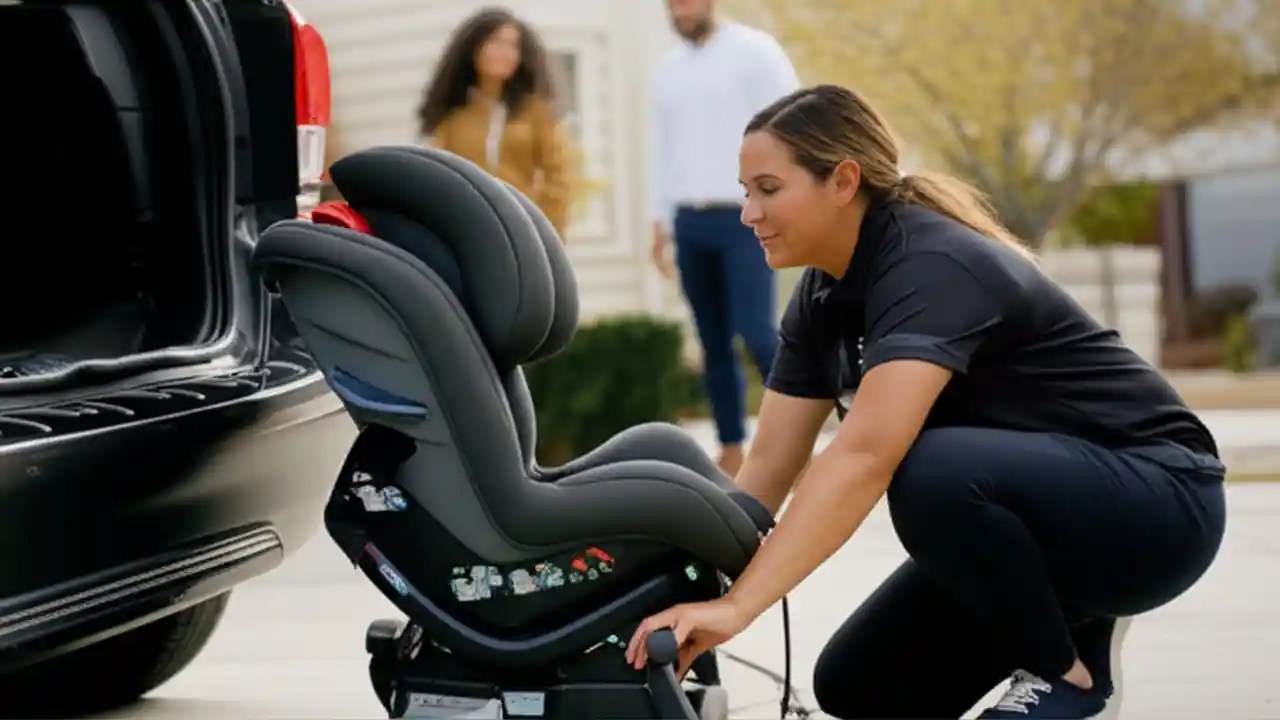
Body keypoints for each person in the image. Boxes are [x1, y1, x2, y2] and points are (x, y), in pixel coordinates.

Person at [626, 84, 1227, 719]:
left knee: (928, 469)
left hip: (1157, 508)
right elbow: (767, 473)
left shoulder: (929, 262)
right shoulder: (821, 296)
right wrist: (670, 590)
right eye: (746, 191)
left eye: (768, 189)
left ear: (843, 180)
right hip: (1037, 519)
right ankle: (1069, 620)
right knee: (859, 686)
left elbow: (864, 456)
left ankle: (1069, 670)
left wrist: (739, 608)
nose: (748, 212)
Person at [650, 0, 801, 475]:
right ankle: (732, 448)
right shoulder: (666, 71)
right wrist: (659, 222)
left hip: (746, 215)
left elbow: (796, 125)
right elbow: (660, 150)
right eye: (672, 3)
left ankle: (797, 446)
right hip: (689, 221)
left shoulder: (756, 52)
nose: (681, 9)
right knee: (711, 341)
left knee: (757, 332)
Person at [416, 7, 571, 237]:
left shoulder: (536, 111)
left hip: (524, 230)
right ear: (474, 48)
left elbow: (559, 177)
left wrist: (548, 231)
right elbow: (439, 177)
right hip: (469, 229)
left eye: (513, 45)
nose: (505, 52)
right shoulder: (453, 117)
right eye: (496, 42)